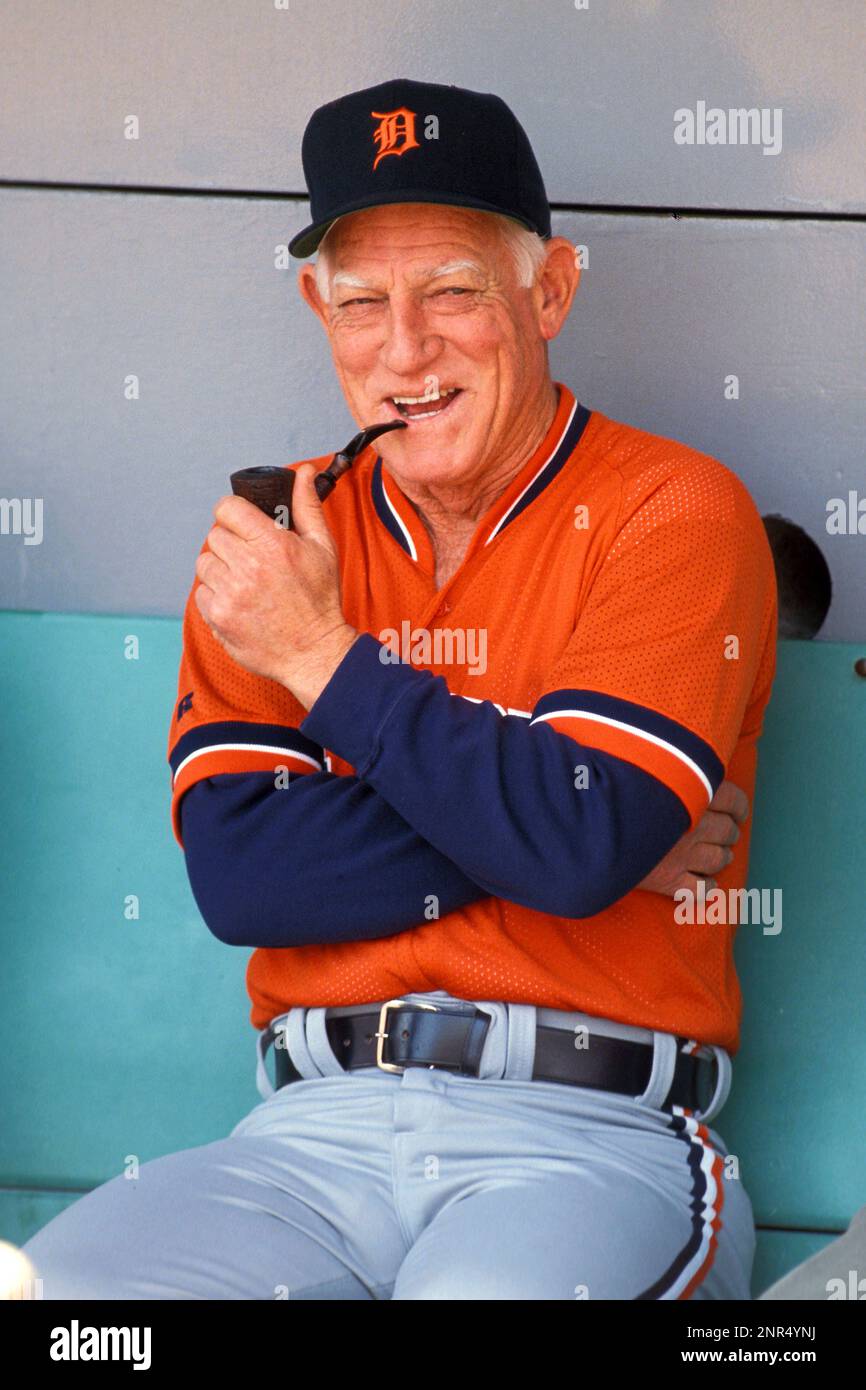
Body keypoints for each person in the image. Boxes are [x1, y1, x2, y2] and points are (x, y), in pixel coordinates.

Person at [22, 78, 776, 1300]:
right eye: (361, 300)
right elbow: (247, 877)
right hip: (303, 1144)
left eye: (452, 292)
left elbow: (576, 838)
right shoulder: (275, 535)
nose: (403, 348)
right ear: (319, 310)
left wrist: (322, 658)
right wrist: (545, 819)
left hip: (586, 1143)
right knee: (64, 1314)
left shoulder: (670, 509)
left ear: (549, 291)